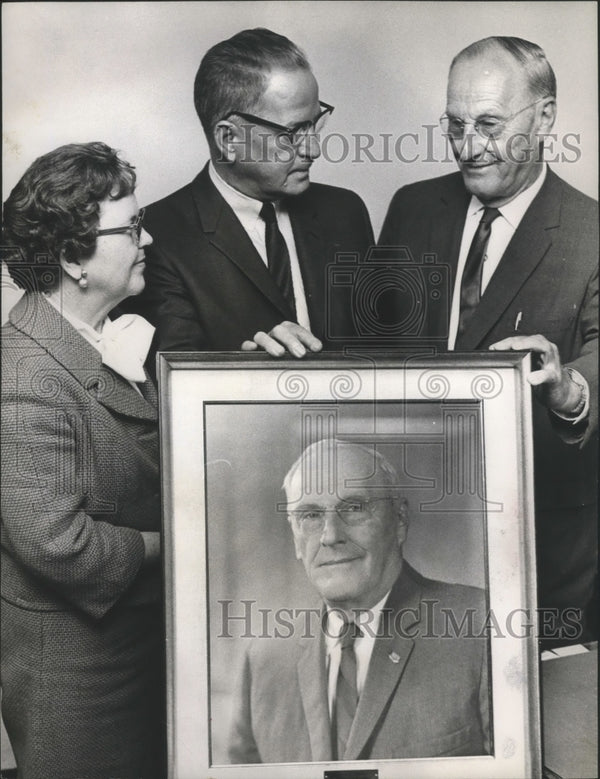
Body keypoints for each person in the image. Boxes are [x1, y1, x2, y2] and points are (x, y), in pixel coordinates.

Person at [378, 37, 598, 643]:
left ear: (546, 116)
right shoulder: (412, 208)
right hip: (414, 540)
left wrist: (568, 388)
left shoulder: (592, 233)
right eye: (455, 124)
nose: (468, 147)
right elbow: (372, 356)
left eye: (490, 125)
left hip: (541, 549)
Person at [1, 142, 165, 778]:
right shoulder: (23, 374)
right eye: (131, 228)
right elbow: (57, 546)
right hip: (77, 684)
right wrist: (173, 544)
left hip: (126, 658)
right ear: (74, 257)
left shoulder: (95, 342)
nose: (146, 239)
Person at [228, 439, 489, 763]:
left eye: (353, 508)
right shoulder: (264, 659)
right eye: (310, 515)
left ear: (400, 520)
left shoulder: (480, 628)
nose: (330, 535)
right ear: (296, 537)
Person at [128, 27, 374, 362]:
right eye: (293, 132)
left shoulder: (345, 212)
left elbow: (379, 356)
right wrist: (250, 372)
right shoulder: (157, 238)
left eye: (316, 124)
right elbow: (177, 388)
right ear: (229, 139)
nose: (314, 148)